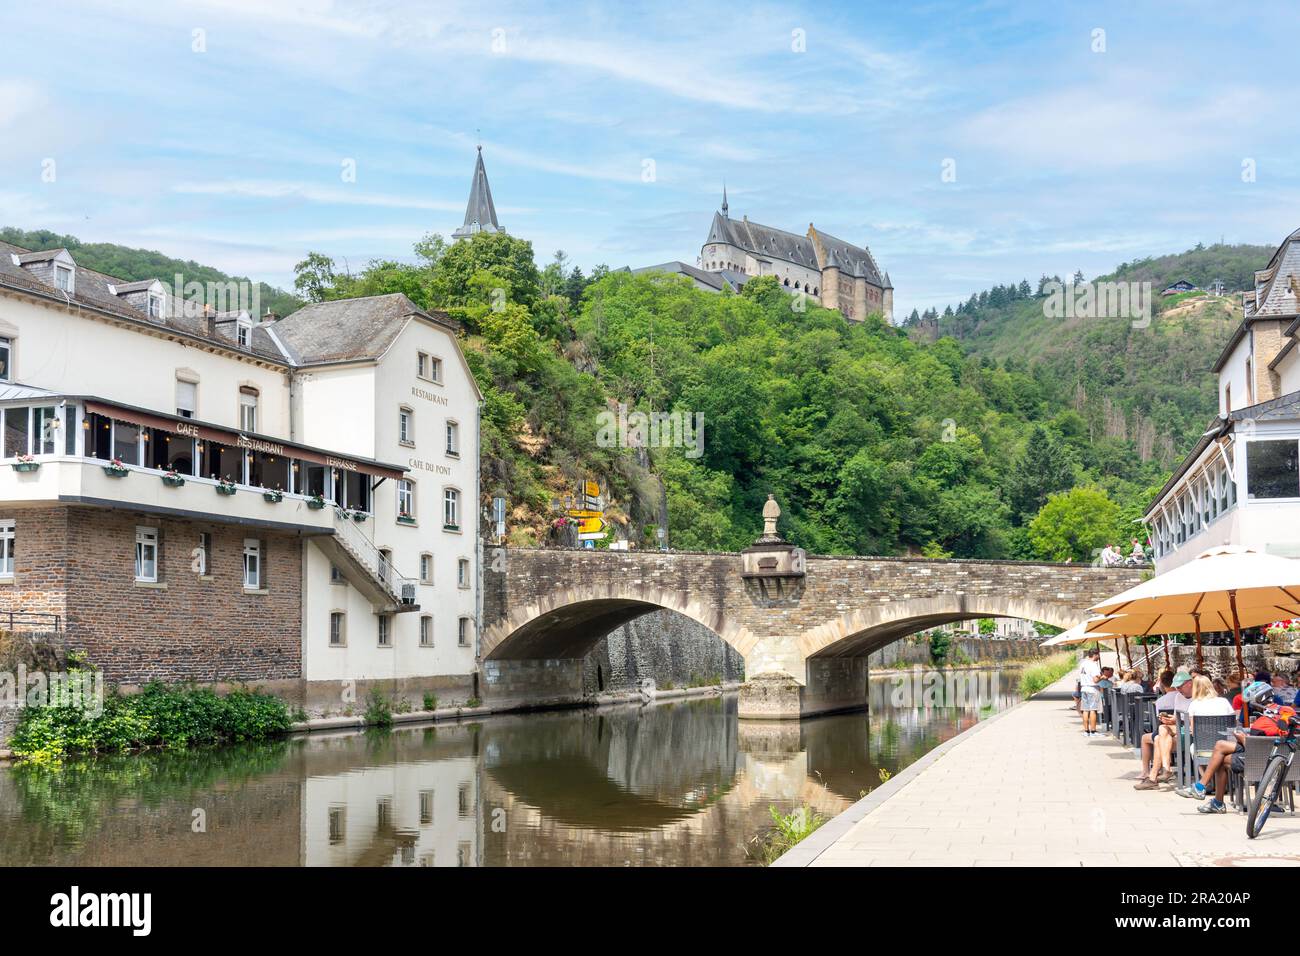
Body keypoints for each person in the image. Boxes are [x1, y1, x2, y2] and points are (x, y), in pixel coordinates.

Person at [1178, 682, 1293, 813]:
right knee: (1220, 746)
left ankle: (1212, 797)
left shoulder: (1261, 723)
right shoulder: (1289, 712)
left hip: (1261, 762)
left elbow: (1253, 748)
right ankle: (1204, 790)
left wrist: (1242, 738)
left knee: (1220, 758)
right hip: (1288, 760)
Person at [1135, 670, 1193, 790]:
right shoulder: (1178, 696)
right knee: (1162, 729)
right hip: (1178, 729)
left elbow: (1192, 723)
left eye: (1180, 686)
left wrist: (1176, 721)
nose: (1178, 689)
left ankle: (1154, 776)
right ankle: (1165, 769)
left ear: (1189, 684)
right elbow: (1178, 717)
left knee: (1157, 739)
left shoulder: (1197, 699)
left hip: (1191, 732)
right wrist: (1171, 720)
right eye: (1176, 687)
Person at [1078, 649, 1103, 736]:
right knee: (1093, 710)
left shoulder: (1083, 664)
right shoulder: (1093, 665)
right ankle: (1093, 731)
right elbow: (1095, 680)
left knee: (1085, 710)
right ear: (1095, 655)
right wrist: (1102, 677)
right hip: (1092, 689)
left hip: (1084, 688)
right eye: (1098, 655)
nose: (1099, 657)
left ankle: (1086, 731)